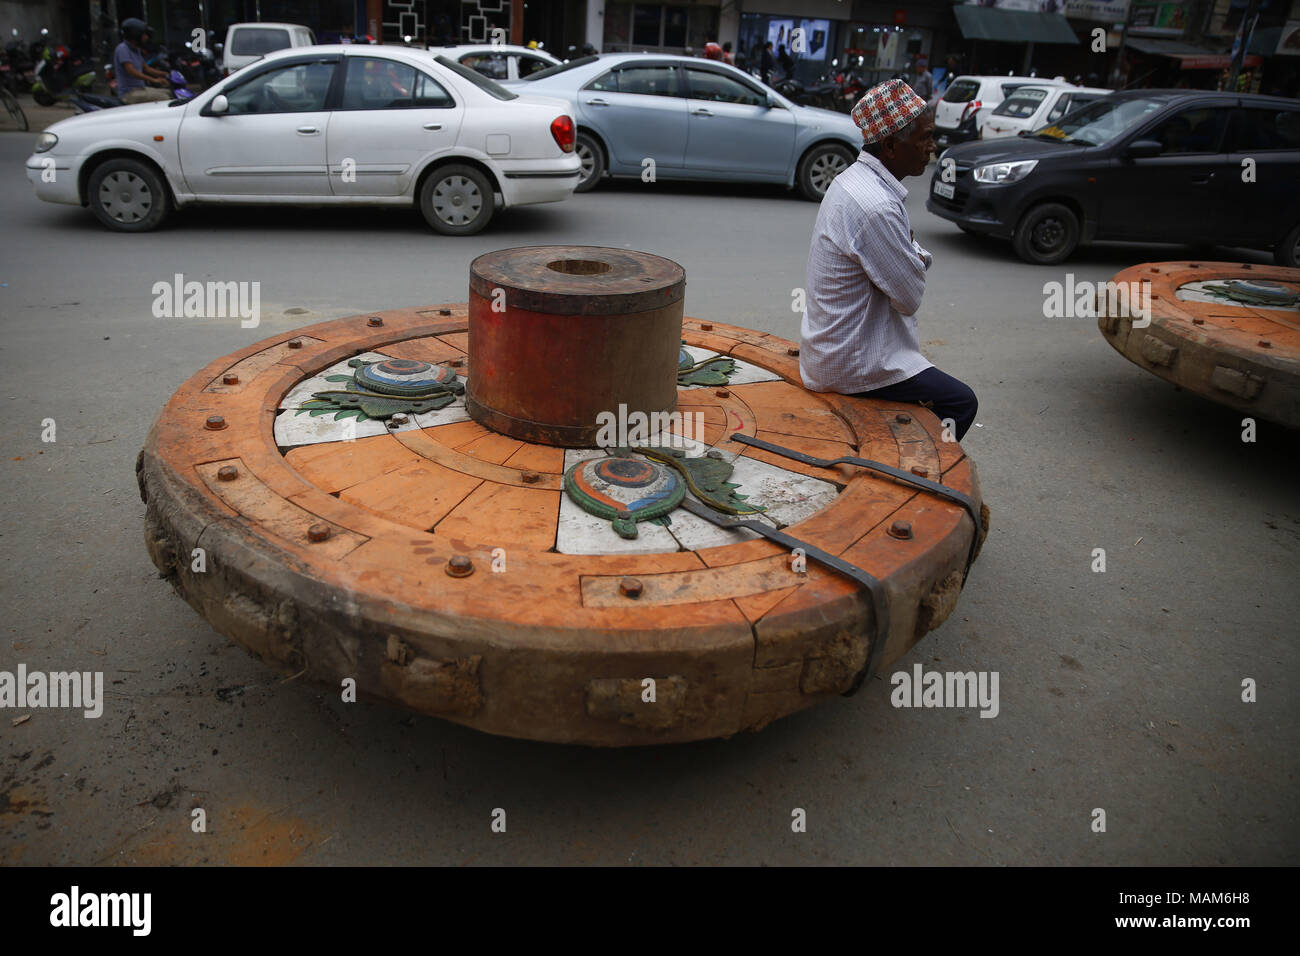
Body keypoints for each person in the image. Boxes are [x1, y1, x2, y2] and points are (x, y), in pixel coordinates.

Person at [800, 79, 978, 441]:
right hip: (851, 364)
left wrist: (909, 251)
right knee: (962, 404)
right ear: (893, 145)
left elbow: (902, 271)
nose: (932, 147)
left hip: (833, 350)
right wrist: (914, 252)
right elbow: (910, 298)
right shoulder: (876, 207)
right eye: (925, 138)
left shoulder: (853, 180)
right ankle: (915, 472)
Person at [114, 17, 171, 103]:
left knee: (170, 93)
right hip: (129, 93)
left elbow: (146, 69)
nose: (146, 37)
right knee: (165, 98)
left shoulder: (136, 49)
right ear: (135, 35)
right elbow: (131, 71)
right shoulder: (123, 49)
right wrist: (154, 80)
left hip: (140, 89)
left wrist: (166, 74)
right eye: (144, 34)